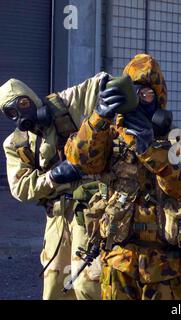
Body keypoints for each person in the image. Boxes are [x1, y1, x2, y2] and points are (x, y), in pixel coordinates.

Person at [64, 53, 181, 300]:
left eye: (147, 94)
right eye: (134, 94)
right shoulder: (109, 137)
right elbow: (80, 161)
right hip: (119, 264)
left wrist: (150, 149)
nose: (140, 102)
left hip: (167, 268)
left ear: (160, 98)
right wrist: (98, 118)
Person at [0, 72, 130, 300]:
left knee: (89, 282)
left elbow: (100, 82)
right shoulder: (16, 143)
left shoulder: (65, 104)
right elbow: (20, 188)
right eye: (12, 111)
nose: (21, 112)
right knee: (55, 285)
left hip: (90, 210)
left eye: (23, 103)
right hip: (57, 218)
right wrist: (53, 177)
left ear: (31, 97)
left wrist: (132, 93)